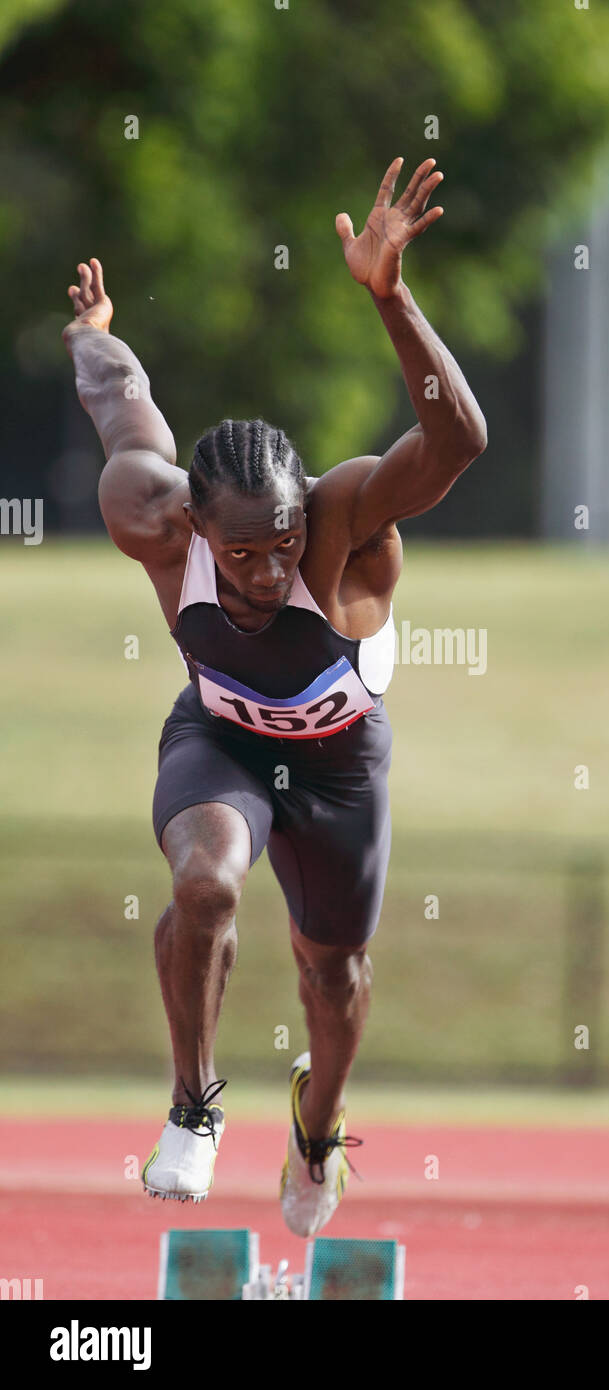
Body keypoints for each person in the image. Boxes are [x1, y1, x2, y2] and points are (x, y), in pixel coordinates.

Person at [61, 157, 486, 1237]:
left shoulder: (343, 521)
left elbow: (457, 442)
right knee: (204, 885)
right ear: (195, 531)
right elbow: (123, 405)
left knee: (333, 976)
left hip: (341, 764)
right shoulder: (150, 514)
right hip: (221, 740)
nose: (262, 573)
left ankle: (317, 1127)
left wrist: (390, 299)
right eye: (240, 553)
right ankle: (194, 1104)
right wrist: (89, 332)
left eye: (279, 547)